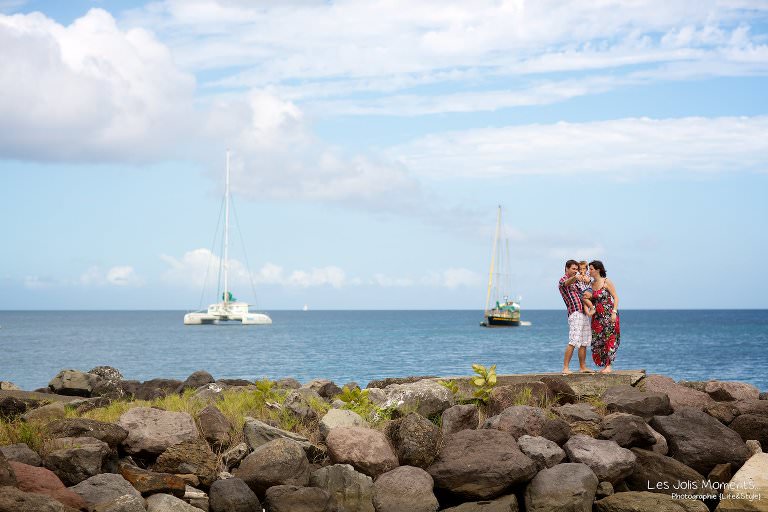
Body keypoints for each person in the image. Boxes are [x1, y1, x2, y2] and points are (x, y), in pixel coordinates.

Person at [584, 260, 620, 373]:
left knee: (610, 339)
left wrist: (614, 312)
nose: (589, 271)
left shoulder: (606, 282)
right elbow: (585, 299)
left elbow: (616, 297)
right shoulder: (591, 284)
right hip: (597, 317)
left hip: (609, 314)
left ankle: (609, 366)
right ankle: (604, 364)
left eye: (591, 269)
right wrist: (588, 310)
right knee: (598, 341)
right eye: (589, 269)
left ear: (598, 270)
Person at [559, 260, 592, 374]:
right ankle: (565, 368)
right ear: (566, 269)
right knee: (573, 340)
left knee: (584, 342)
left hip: (583, 313)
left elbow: (586, 289)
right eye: (573, 269)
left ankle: (583, 367)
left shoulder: (578, 282)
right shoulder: (563, 279)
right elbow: (566, 283)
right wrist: (576, 277)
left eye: (576, 269)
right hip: (575, 313)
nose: (575, 271)